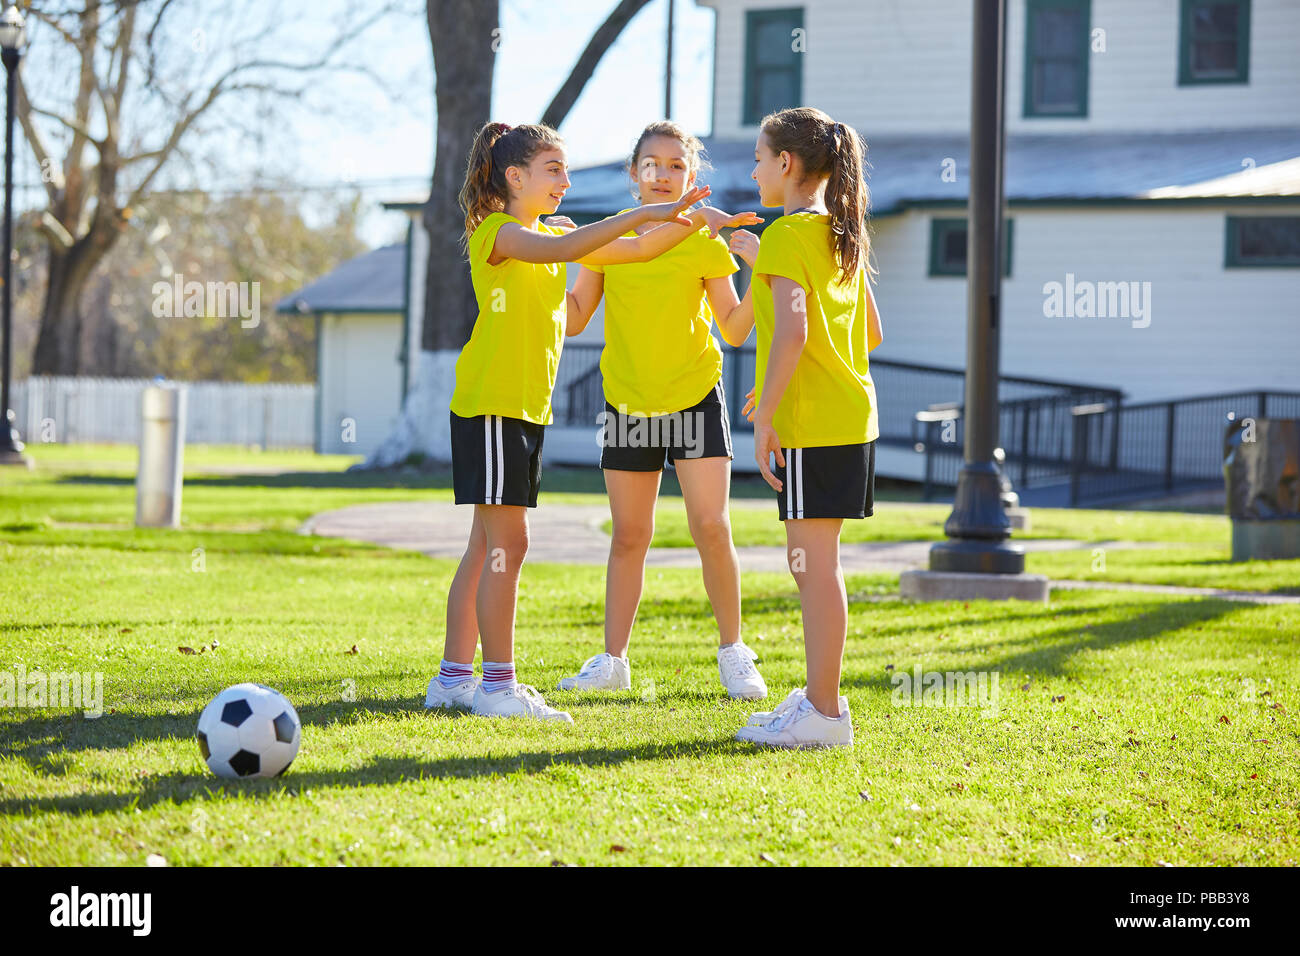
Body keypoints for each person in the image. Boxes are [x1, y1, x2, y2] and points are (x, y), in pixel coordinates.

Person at [422, 121, 758, 722]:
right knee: (508, 545)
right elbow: (571, 253)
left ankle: (454, 677)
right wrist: (645, 217)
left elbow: (633, 250)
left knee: (485, 545)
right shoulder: (506, 234)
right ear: (515, 177)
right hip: (500, 402)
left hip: (524, 406)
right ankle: (497, 683)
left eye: (566, 171)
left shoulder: (551, 233)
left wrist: (681, 220)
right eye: (555, 170)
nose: (566, 182)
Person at [555, 120, 768, 701]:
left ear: (691, 176)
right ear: (634, 175)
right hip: (627, 400)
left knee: (710, 526)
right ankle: (613, 660)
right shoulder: (603, 243)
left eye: (676, 165)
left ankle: (734, 651)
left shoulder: (704, 240)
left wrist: (764, 276)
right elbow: (573, 317)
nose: (663, 174)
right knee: (630, 535)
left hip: (695, 393)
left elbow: (733, 326)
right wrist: (541, 256)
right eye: (652, 164)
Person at [732, 108, 885, 749]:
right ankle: (820, 699)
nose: (755, 168)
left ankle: (823, 712)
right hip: (850, 418)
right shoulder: (840, 234)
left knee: (813, 568)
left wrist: (769, 415)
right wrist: (773, 386)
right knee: (817, 566)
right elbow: (869, 333)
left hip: (814, 426)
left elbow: (793, 331)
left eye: (761, 158)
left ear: (786, 165)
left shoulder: (790, 238)